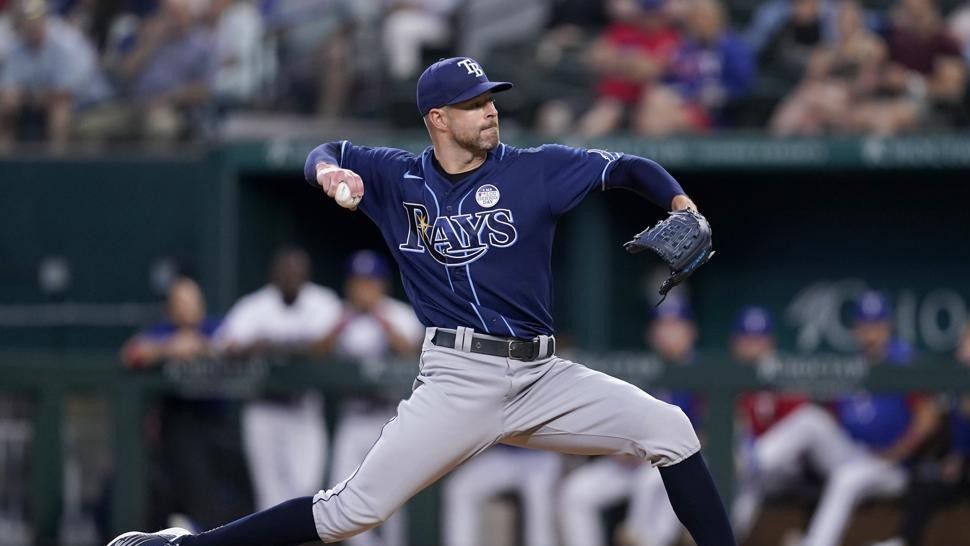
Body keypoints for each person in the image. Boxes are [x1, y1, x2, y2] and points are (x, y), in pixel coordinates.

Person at [108, 55, 736, 546]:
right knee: (350, 513)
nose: (489, 111)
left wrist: (681, 204)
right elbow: (322, 152)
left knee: (671, 429)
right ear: (438, 118)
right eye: (473, 104)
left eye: (491, 99)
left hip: (541, 375)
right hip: (458, 378)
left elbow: (627, 167)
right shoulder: (394, 177)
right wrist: (331, 174)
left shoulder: (533, 169)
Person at [745, 291, 939, 546]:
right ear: (856, 329)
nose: (871, 332)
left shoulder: (903, 360)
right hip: (854, 452)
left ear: (888, 327)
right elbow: (834, 417)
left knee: (847, 477)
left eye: (876, 324)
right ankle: (749, 461)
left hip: (891, 466)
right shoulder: (853, 365)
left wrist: (897, 452)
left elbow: (929, 418)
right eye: (865, 324)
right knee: (810, 418)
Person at [560, 297, 701, 546]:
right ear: (651, 333)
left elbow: (710, 434)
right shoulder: (640, 370)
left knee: (655, 483)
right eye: (662, 325)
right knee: (576, 492)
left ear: (690, 331)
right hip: (634, 464)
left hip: (679, 464)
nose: (668, 332)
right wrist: (621, 447)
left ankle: (637, 537)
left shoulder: (703, 372)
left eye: (675, 324)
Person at [213, 246, 342, 512]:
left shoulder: (323, 301)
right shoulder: (256, 304)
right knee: (268, 497)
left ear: (306, 274)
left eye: (296, 272)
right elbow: (223, 345)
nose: (290, 277)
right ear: (274, 274)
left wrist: (270, 345)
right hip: (263, 408)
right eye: (285, 272)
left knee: (308, 494)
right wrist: (257, 347)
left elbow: (327, 344)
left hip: (303, 408)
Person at [121, 277, 253, 533]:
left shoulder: (214, 327)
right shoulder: (165, 332)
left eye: (191, 301)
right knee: (183, 491)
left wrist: (202, 347)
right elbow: (131, 354)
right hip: (180, 423)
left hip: (219, 422)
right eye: (180, 302)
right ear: (171, 308)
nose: (187, 308)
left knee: (231, 494)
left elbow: (238, 345)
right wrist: (168, 347)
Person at [319, 250, 425, 546]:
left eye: (370, 282)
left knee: (392, 498)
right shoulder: (338, 314)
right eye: (358, 282)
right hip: (352, 418)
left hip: (390, 417)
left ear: (382, 285)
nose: (363, 288)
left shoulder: (398, 314)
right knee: (342, 496)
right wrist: (343, 322)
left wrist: (379, 317)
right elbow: (315, 353)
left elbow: (412, 352)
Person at [727, 306, 809, 541]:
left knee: (807, 421)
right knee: (747, 483)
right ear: (735, 343)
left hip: (788, 469)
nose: (753, 346)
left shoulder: (783, 373)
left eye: (759, 339)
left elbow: (799, 429)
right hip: (749, 474)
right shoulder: (728, 377)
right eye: (747, 339)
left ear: (771, 342)